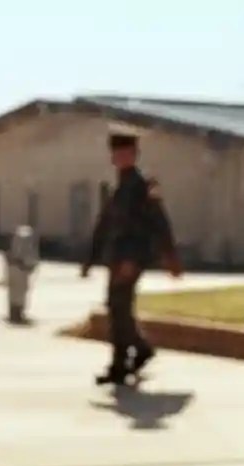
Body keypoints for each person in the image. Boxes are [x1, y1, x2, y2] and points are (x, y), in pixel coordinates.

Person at [81, 130, 182, 385]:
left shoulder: (142, 186)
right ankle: (134, 353)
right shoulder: (118, 189)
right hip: (116, 257)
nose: (122, 157)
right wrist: (90, 259)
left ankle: (124, 361)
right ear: (113, 157)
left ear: (134, 155)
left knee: (119, 308)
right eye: (117, 153)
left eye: (127, 153)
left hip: (132, 258)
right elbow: (103, 226)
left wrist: (169, 256)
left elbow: (159, 222)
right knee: (118, 309)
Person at [5, 224, 40, 324]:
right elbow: (29, 256)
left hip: (19, 268)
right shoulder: (26, 242)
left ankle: (16, 313)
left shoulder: (18, 243)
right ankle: (16, 314)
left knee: (18, 292)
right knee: (18, 292)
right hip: (19, 268)